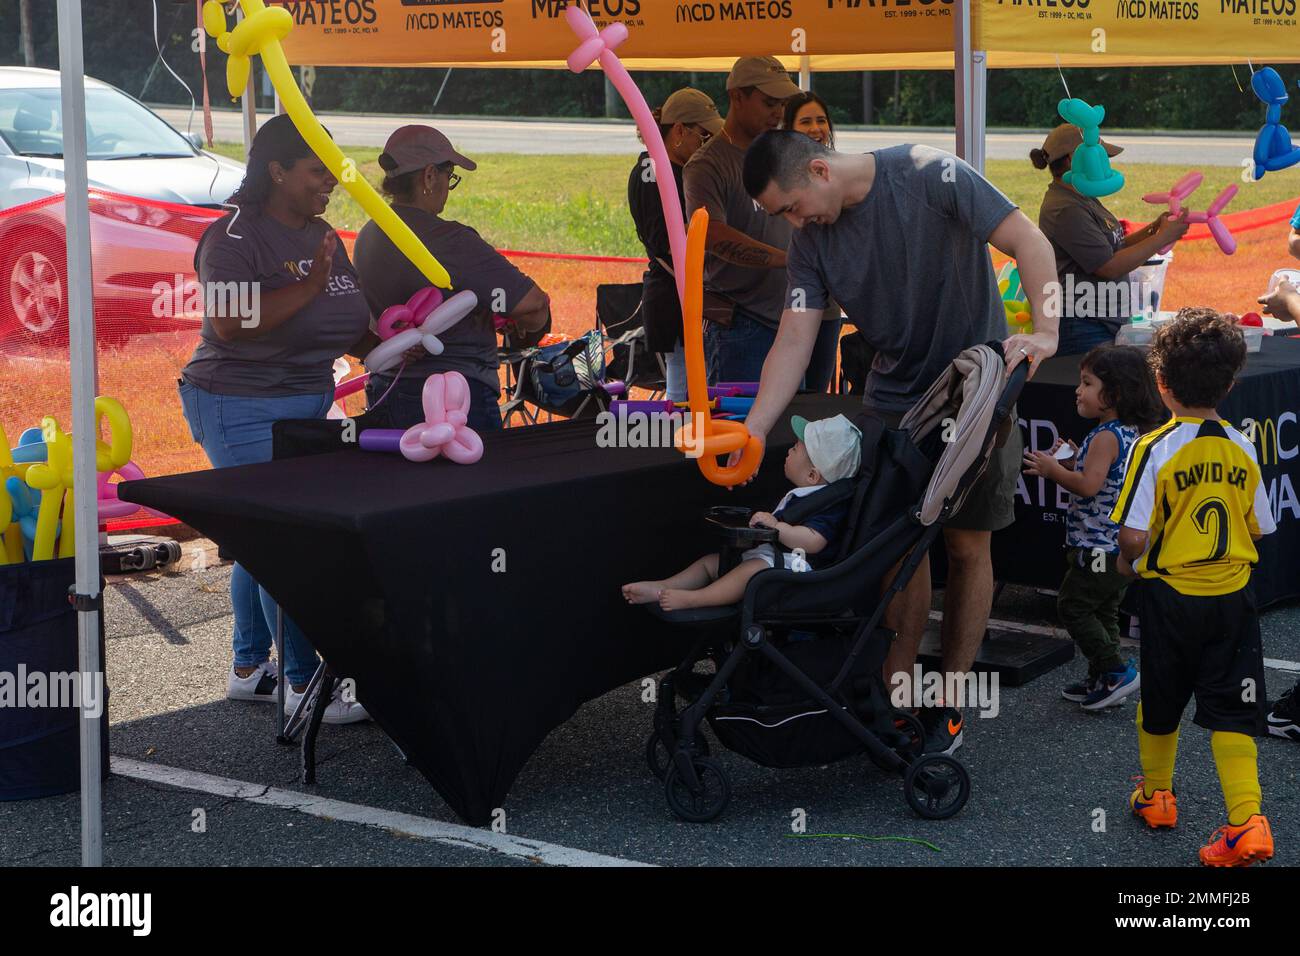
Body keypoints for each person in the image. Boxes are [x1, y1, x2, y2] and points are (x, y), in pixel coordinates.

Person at [739, 130, 1060, 754]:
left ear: (819, 170)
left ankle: (951, 700)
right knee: (894, 549)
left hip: (974, 397)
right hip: (893, 405)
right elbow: (795, 337)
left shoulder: (928, 172)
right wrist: (754, 427)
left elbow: (1029, 239)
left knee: (968, 548)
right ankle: (898, 688)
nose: (791, 223)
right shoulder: (810, 242)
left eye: (789, 206)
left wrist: (1045, 331)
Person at [179, 114, 371, 723]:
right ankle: (300, 681)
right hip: (237, 405)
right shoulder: (232, 237)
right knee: (282, 539)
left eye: (335, 170)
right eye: (319, 171)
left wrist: (390, 339)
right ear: (278, 171)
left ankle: (247, 667)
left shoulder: (324, 236)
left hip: (307, 401)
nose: (332, 182)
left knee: (260, 539)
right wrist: (310, 285)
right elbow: (231, 322)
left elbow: (346, 318)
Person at [1112, 308, 1277, 866]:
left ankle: (1157, 795)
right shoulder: (1243, 444)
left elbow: (1133, 536)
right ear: (1230, 384)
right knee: (1234, 710)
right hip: (1233, 598)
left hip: (1171, 599)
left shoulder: (1153, 447)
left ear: (1161, 383)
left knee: (1161, 700)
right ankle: (1246, 820)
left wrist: (1125, 565)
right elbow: (1260, 525)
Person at [353, 125, 552, 432]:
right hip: (456, 401)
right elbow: (532, 303)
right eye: (449, 176)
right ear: (430, 176)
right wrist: (523, 324)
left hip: (386, 393)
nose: (448, 186)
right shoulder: (449, 239)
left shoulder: (369, 234)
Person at [1022, 345, 1164, 710]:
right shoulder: (1128, 432)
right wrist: (1074, 456)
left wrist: (1055, 471)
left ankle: (1115, 671)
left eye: (1087, 383)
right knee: (1103, 612)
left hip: (1096, 546)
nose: (1078, 390)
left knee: (1073, 607)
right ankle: (1104, 678)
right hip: (1121, 547)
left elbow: (1088, 486)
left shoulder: (1105, 437)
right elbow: (1103, 475)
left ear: (1114, 393)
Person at [621, 414, 859, 612]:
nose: (789, 451)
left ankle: (694, 599)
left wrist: (778, 527)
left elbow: (814, 541)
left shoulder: (828, 504)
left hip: (795, 570)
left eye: (796, 449)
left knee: (751, 571)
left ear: (812, 476)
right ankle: (662, 587)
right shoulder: (801, 495)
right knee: (711, 563)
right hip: (771, 558)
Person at [683, 56, 801, 385]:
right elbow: (714, 236)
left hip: (792, 318)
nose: (778, 112)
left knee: (792, 429)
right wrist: (788, 260)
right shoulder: (707, 165)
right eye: (768, 103)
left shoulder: (781, 154)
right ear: (737, 96)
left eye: (781, 103)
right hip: (742, 325)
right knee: (741, 430)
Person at [1033, 124, 1189, 354]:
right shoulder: (1066, 208)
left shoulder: (1081, 197)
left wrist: (1154, 229)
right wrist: (1163, 237)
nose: (1106, 164)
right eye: (1100, 157)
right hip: (1084, 326)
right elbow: (1107, 266)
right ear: (1071, 160)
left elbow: (1113, 248)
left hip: (1100, 323)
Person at [627, 88, 723, 402]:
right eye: (704, 135)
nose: (708, 144)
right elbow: (665, 242)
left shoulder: (681, 171)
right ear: (679, 131)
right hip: (675, 296)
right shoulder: (652, 172)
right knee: (684, 395)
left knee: (696, 390)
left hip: (689, 294)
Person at [781, 91, 843, 394]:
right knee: (788, 392)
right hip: (787, 308)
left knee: (817, 398)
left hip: (827, 308)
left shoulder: (841, 171)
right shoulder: (777, 176)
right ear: (788, 130)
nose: (816, 127)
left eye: (821, 120)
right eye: (805, 121)